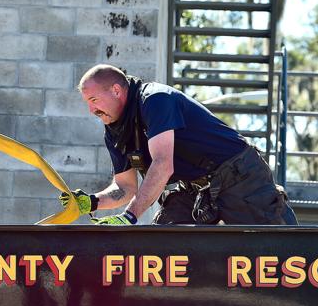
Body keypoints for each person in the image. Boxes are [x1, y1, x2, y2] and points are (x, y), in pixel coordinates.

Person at [60, 64, 297, 226]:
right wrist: (92, 202)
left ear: (116, 90)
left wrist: (130, 216)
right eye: (87, 103)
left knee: (270, 251)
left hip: (239, 176)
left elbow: (163, 165)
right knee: (163, 244)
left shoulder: (155, 100)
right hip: (196, 188)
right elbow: (125, 188)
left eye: (93, 100)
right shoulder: (114, 129)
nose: (92, 110)